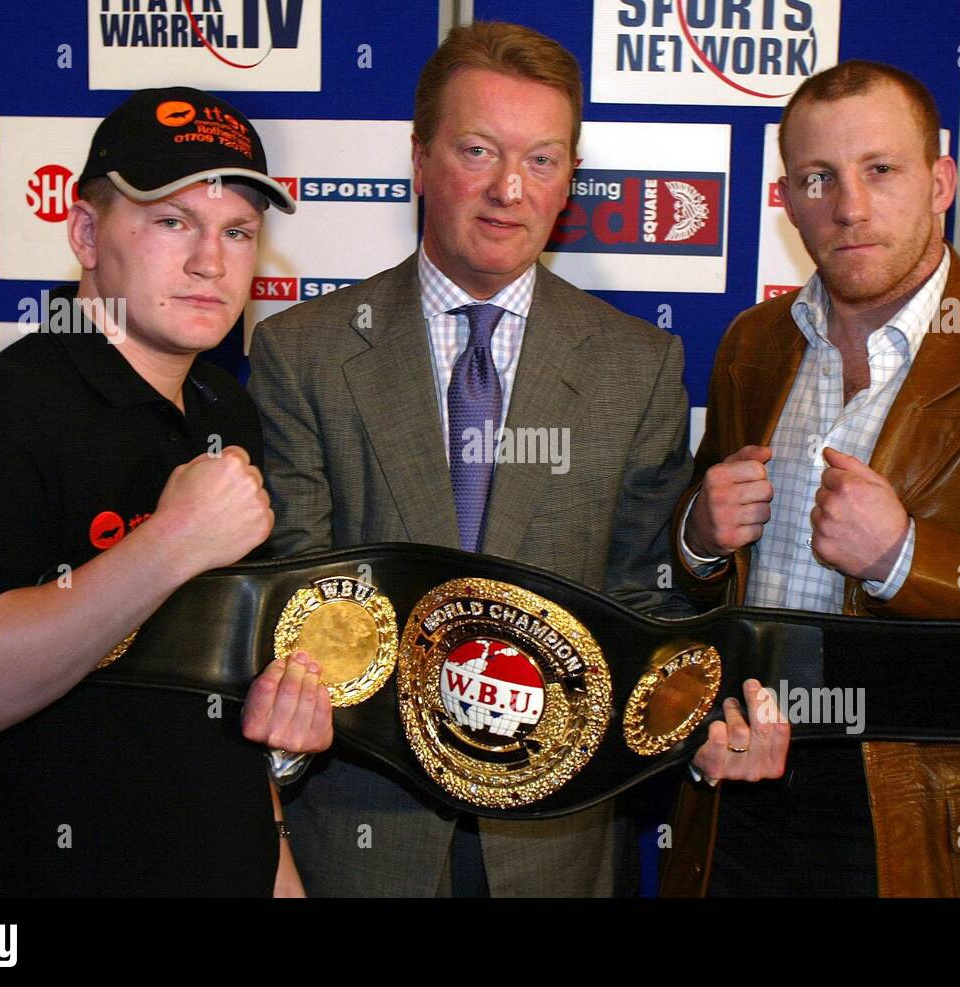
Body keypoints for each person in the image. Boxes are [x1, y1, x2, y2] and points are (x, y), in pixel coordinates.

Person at [662, 60, 960, 897]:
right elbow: (708, 590)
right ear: (787, 198)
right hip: (739, 796)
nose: (848, 207)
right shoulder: (755, 344)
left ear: (940, 182)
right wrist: (697, 538)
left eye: (880, 170)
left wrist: (907, 558)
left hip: (928, 828)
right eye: (818, 178)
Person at [249, 21, 693, 897]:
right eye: (478, 150)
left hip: (557, 845)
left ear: (568, 179)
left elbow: (642, 605)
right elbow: (296, 599)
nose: (507, 189)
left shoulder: (638, 367)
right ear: (419, 160)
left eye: (541, 159)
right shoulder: (301, 351)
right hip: (362, 834)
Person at [0, 87, 333, 897]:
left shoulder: (224, 407)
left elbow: (216, 685)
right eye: (172, 223)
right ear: (86, 234)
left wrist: (278, 854)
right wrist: (166, 544)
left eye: (237, 231)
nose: (211, 261)